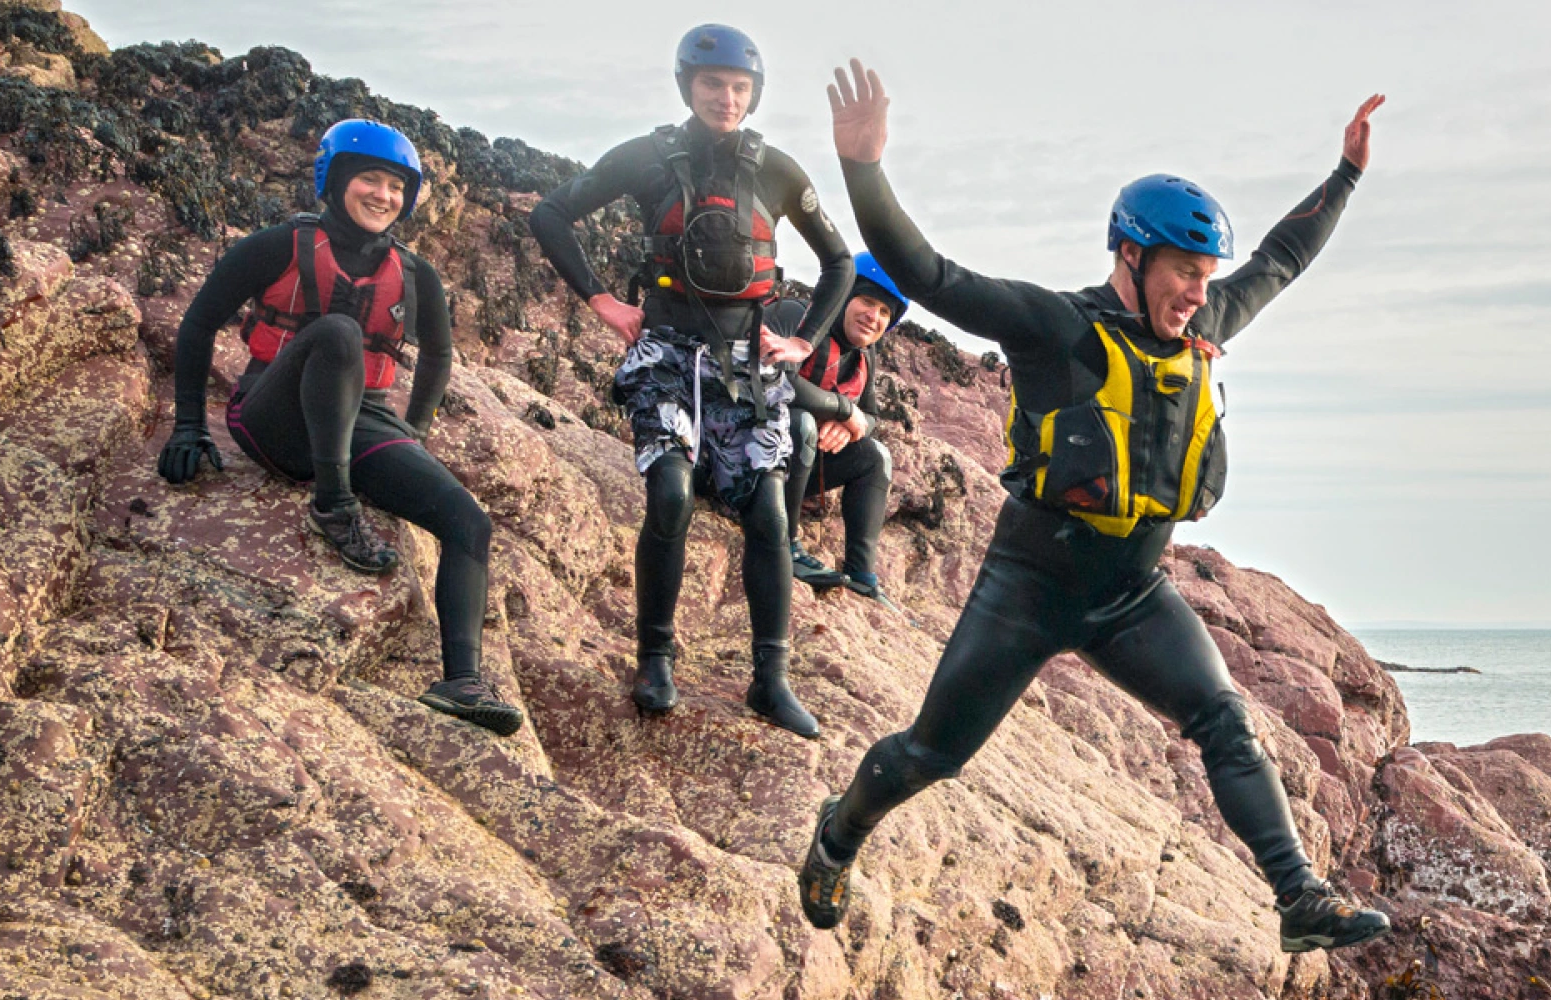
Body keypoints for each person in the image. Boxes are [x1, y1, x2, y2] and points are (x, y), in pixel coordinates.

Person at [796, 60, 1393, 953]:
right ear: (1130, 256)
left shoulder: (1205, 326)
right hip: (1027, 587)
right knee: (932, 755)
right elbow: (930, 273)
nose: (1198, 295)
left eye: (1205, 277)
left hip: (1132, 594)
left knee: (1225, 720)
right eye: (1184, 274)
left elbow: (1283, 260)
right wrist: (864, 169)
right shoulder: (1055, 329)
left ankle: (1298, 896)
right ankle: (839, 832)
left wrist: (1344, 174)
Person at [528, 24, 858, 738]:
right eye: (713, 85)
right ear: (688, 86)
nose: (726, 99)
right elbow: (550, 213)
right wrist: (601, 299)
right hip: (668, 354)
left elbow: (840, 262)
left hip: (747, 366)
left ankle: (770, 680)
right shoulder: (648, 157)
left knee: (770, 515)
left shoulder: (777, 171)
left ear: (755, 94)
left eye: (740, 88)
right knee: (671, 493)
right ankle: (655, 658)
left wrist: (802, 340)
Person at [154, 119, 522, 737]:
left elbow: (436, 356)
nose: (383, 196)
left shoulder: (414, 274)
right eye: (369, 180)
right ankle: (333, 504)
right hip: (272, 413)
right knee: (339, 332)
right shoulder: (279, 245)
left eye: (396, 187)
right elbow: (198, 324)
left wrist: (417, 434)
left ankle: (461, 682)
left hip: (364, 421)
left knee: (468, 523)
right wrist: (188, 425)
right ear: (334, 179)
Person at [768, 253, 903, 601]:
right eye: (867, 302)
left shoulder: (863, 354)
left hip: (789, 469)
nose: (874, 317)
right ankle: (783, 543)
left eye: (885, 312)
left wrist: (849, 425)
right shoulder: (795, 316)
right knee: (802, 424)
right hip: (735, 459)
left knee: (876, 456)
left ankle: (862, 575)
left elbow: (870, 415)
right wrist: (844, 409)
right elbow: (778, 380)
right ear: (843, 295)